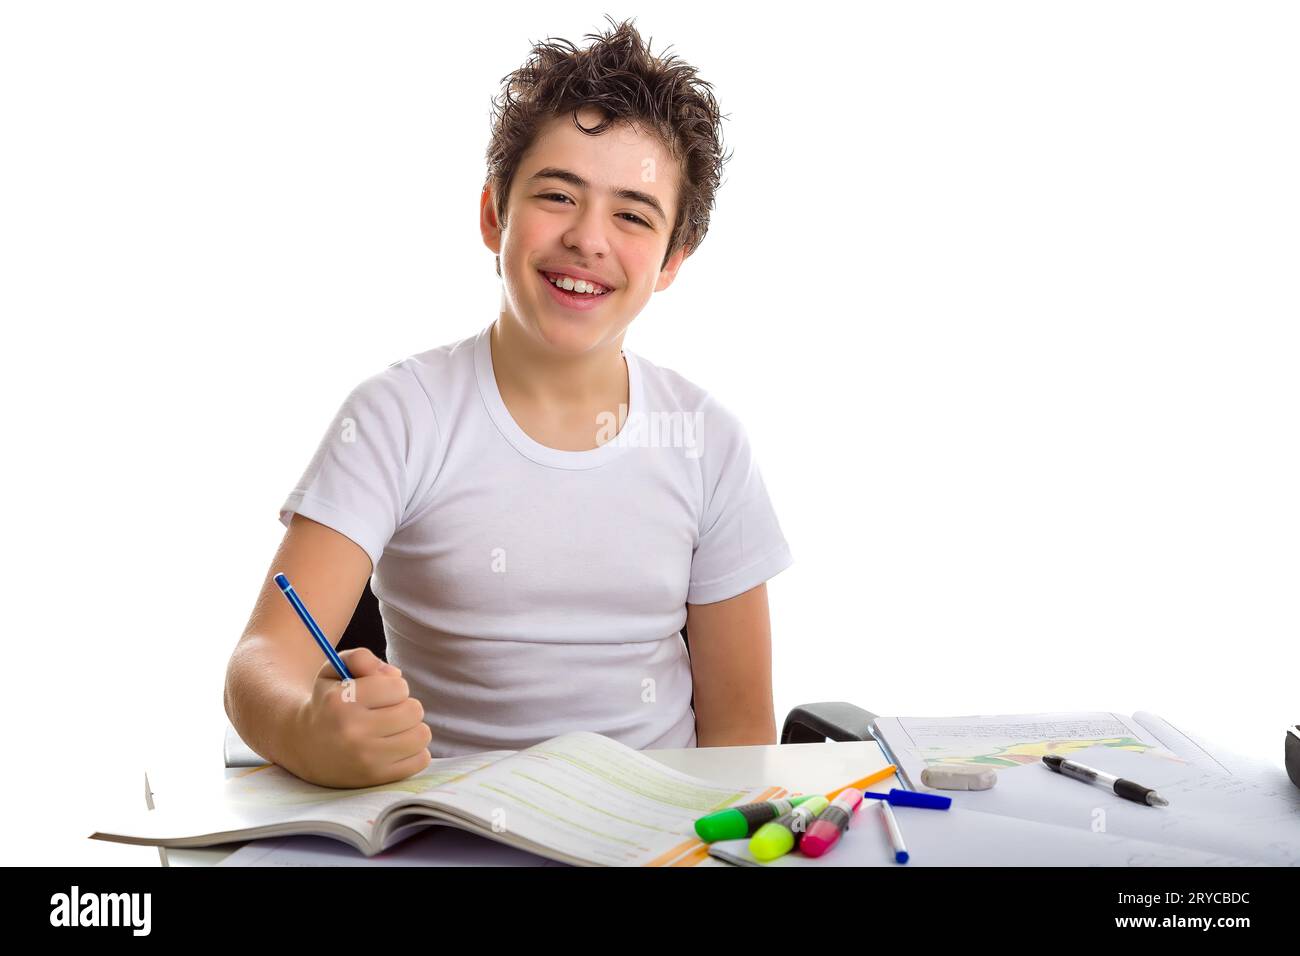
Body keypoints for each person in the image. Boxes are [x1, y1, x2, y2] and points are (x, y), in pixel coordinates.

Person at [224, 16, 793, 788]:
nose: (588, 239)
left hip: (654, 834)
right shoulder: (400, 416)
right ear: (494, 214)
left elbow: (741, 734)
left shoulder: (706, 442)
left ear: (671, 260)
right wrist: (306, 728)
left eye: (632, 214)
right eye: (558, 195)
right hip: (454, 829)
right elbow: (262, 665)